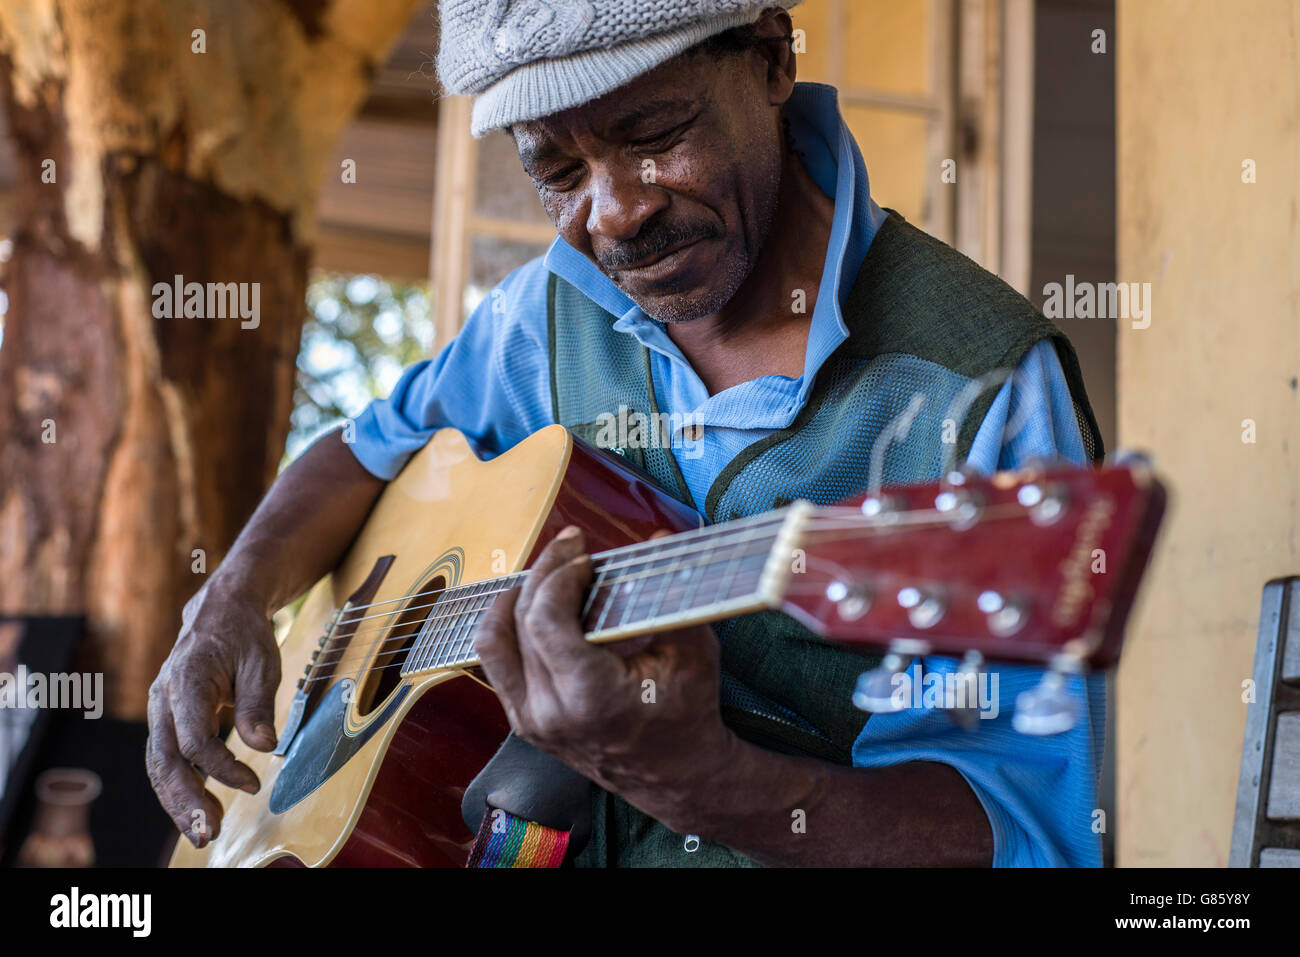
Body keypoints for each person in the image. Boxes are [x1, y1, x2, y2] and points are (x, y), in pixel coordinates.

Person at [147, 1, 1107, 867]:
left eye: (652, 134)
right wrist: (233, 592)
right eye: (556, 170)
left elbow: (1026, 837)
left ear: (773, 59)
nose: (614, 214)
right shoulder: (543, 316)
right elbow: (364, 450)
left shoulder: (983, 390)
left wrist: (703, 780)